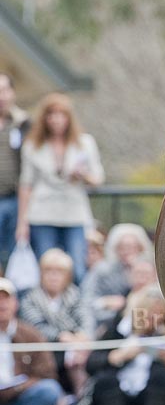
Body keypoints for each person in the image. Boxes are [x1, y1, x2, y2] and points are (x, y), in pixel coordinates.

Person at [17, 93, 105, 284]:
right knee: (46, 266)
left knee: (77, 268)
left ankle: (75, 310)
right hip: (42, 213)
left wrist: (82, 175)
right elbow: (26, 184)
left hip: (73, 212)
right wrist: (22, 222)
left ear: (69, 118)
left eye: (61, 115)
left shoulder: (85, 143)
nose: (56, 120)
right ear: (45, 119)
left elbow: (98, 178)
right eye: (51, 115)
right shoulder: (33, 146)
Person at [0, 276, 70, 405]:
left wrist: (17, 388)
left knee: (49, 390)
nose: (1, 304)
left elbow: (47, 374)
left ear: (15, 303)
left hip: (21, 400)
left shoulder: (31, 334)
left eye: (5, 299)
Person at [20, 248, 90, 396]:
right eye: (49, 271)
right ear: (41, 274)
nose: (53, 276)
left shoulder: (75, 295)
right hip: (44, 350)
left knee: (79, 353)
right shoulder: (30, 299)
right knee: (72, 353)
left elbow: (86, 320)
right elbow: (36, 328)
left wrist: (81, 336)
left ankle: (82, 398)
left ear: (68, 276)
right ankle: (75, 399)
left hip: (75, 348)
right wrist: (61, 336)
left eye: (59, 272)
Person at [81, 223, 154, 337]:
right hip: (107, 326)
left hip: (145, 327)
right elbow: (85, 301)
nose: (127, 251)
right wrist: (104, 302)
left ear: (141, 248)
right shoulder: (102, 270)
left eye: (132, 247)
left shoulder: (150, 269)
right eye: (122, 247)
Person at [0, 72, 30, 267]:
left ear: (12, 93)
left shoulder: (23, 124)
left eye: (4, 90)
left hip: (14, 198)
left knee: (11, 256)